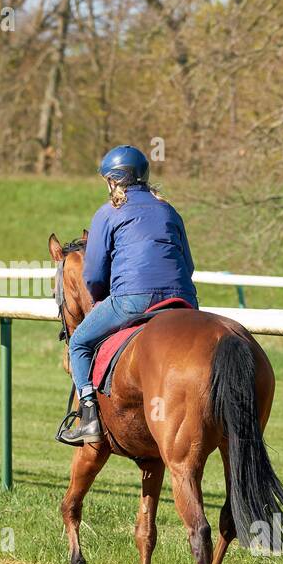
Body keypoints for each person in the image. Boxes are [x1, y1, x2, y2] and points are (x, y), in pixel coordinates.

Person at [58, 145, 198, 445]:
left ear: (114, 180)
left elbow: (94, 274)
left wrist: (98, 298)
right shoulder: (170, 210)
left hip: (133, 300)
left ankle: (89, 418)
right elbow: (189, 265)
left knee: (80, 342)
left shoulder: (108, 213)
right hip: (184, 301)